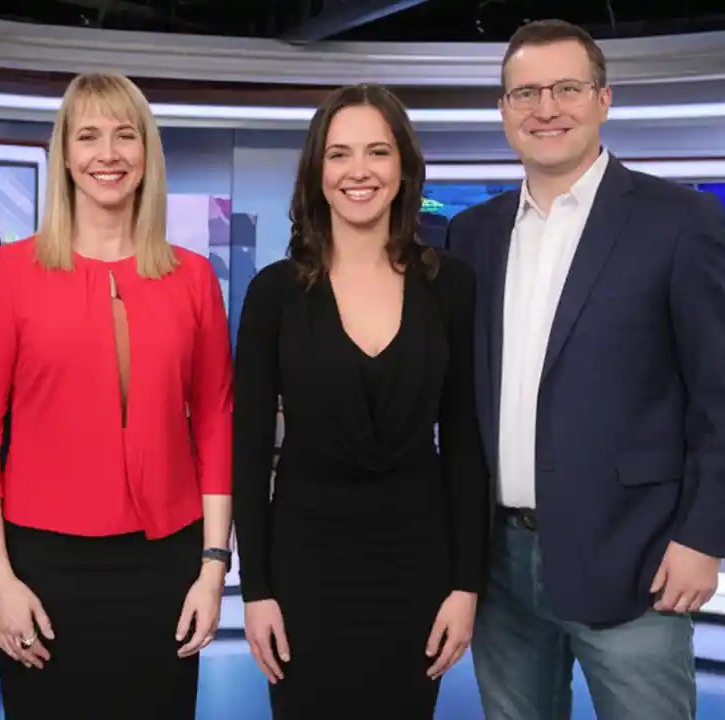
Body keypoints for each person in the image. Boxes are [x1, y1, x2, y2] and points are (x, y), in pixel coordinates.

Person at [444, 19, 725, 720]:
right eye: (525, 92)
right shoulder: (475, 235)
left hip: (636, 556)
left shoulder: (679, 221)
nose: (545, 108)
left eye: (566, 88)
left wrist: (703, 539)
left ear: (604, 99)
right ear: (502, 111)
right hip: (500, 562)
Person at [0, 71, 233, 719]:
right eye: (89, 136)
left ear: (147, 152)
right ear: (65, 155)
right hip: (43, 567)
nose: (108, 153)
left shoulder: (192, 278)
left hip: (167, 562)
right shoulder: (7, 273)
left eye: (125, 135)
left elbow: (216, 425)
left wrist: (213, 568)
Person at [232, 83, 491, 719]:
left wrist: (466, 584)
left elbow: (463, 445)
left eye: (377, 152)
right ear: (317, 173)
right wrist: (256, 590)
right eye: (340, 154)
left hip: (416, 566)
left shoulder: (450, 286)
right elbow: (248, 449)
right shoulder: (275, 293)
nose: (359, 171)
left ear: (402, 167)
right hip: (304, 569)